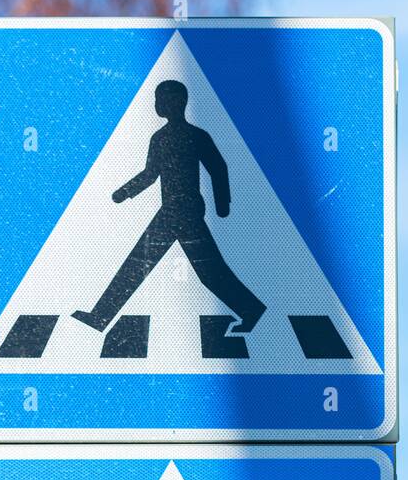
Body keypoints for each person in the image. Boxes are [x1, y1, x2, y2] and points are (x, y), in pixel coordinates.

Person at [73, 79, 265, 335]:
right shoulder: (160, 138)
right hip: (172, 211)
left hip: (186, 212)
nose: (157, 104)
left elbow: (218, 168)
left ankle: (250, 309)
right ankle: (100, 316)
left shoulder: (196, 136)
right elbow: (150, 174)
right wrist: (125, 192)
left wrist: (223, 205)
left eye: (161, 99)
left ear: (177, 103)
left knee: (202, 272)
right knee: (147, 266)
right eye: (157, 99)